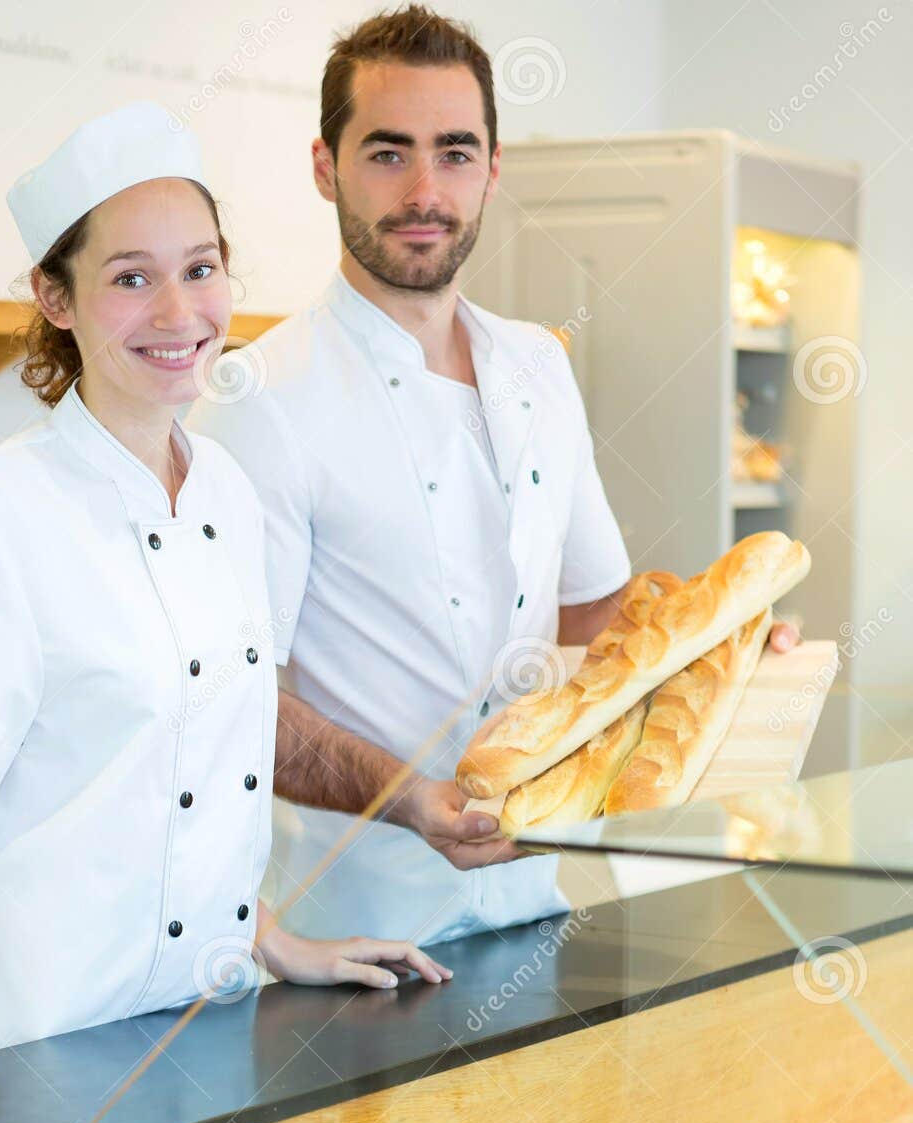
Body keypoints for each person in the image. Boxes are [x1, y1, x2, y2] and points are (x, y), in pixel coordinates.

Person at [0, 102, 449, 1111]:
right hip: (30, 1056)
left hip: (205, 1030)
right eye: (131, 278)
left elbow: (186, 780)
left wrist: (276, 942)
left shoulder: (225, 492)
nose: (178, 314)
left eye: (200, 268)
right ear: (56, 297)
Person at [192, 6, 801, 947]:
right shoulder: (259, 396)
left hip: (533, 900)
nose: (425, 190)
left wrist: (726, 645)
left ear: (493, 167)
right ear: (325, 167)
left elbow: (598, 618)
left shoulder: (536, 366)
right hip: (354, 932)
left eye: (456, 152)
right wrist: (409, 802)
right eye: (388, 153)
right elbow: (234, 699)